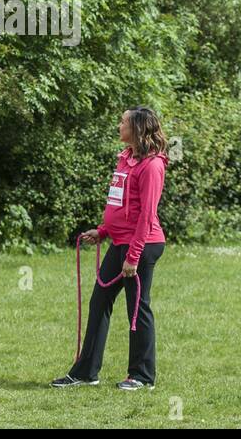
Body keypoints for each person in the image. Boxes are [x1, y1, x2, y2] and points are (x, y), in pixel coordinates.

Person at [52, 106, 169, 390]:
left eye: (123, 122)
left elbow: (146, 215)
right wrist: (103, 231)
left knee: (137, 309)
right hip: (120, 242)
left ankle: (142, 376)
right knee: (99, 302)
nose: (119, 126)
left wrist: (133, 256)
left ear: (138, 128)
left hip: (142, 245)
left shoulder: (152, 166)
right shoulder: (126, 159)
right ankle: (85, 372)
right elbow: (121, 206)